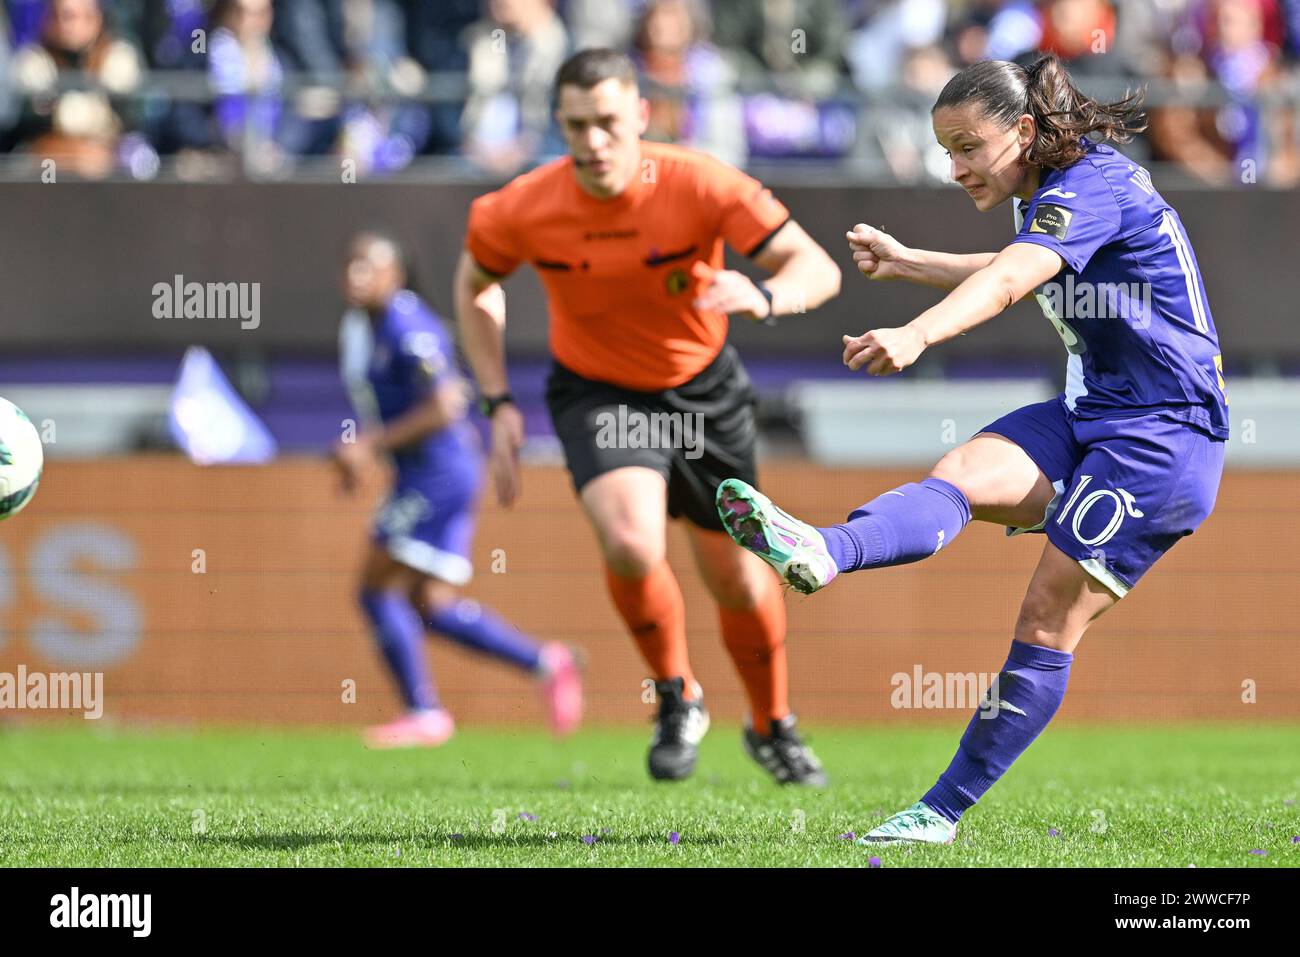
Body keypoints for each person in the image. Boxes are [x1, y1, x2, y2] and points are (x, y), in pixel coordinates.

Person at [716, 55, 1228, 840]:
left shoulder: (1095, 186)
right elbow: (1024, 267)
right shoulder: (1054, 192)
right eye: (944, 149)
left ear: (1024, 130)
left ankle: (938, 812)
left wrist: (917, 332)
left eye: (965, 147)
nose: (952, 168)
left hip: (1165, 434)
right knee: (959, 474)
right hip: (1092, 409)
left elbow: (1012, 281)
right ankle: (823, 549)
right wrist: (912, 263)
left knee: (1047, 613)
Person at [455, 48, 842, 784]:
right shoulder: (521, 206)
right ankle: (676, 692)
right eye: (576, 125)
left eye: (607, 121)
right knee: (631, 541)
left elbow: (814, 267)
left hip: (704, 391)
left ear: (640, 114)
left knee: (734, 577)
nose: (593, 141)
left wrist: (762, 297)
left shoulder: (700, 182)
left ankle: (772, 723)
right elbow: (475, 283)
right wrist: (496, 397)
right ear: (559, 125)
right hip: (598, 391)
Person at [334, 231, 583, 749]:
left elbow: (447, 402)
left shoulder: (406, 323)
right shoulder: (364, 328)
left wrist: (369, 446)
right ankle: (545, 662)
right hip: (427, 472)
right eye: (352, 264)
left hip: (439, 473)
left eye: (370, 265)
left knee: (376, 588)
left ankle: (424, 712)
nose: (357, 274)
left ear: (396, 275)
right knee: (431, 605)